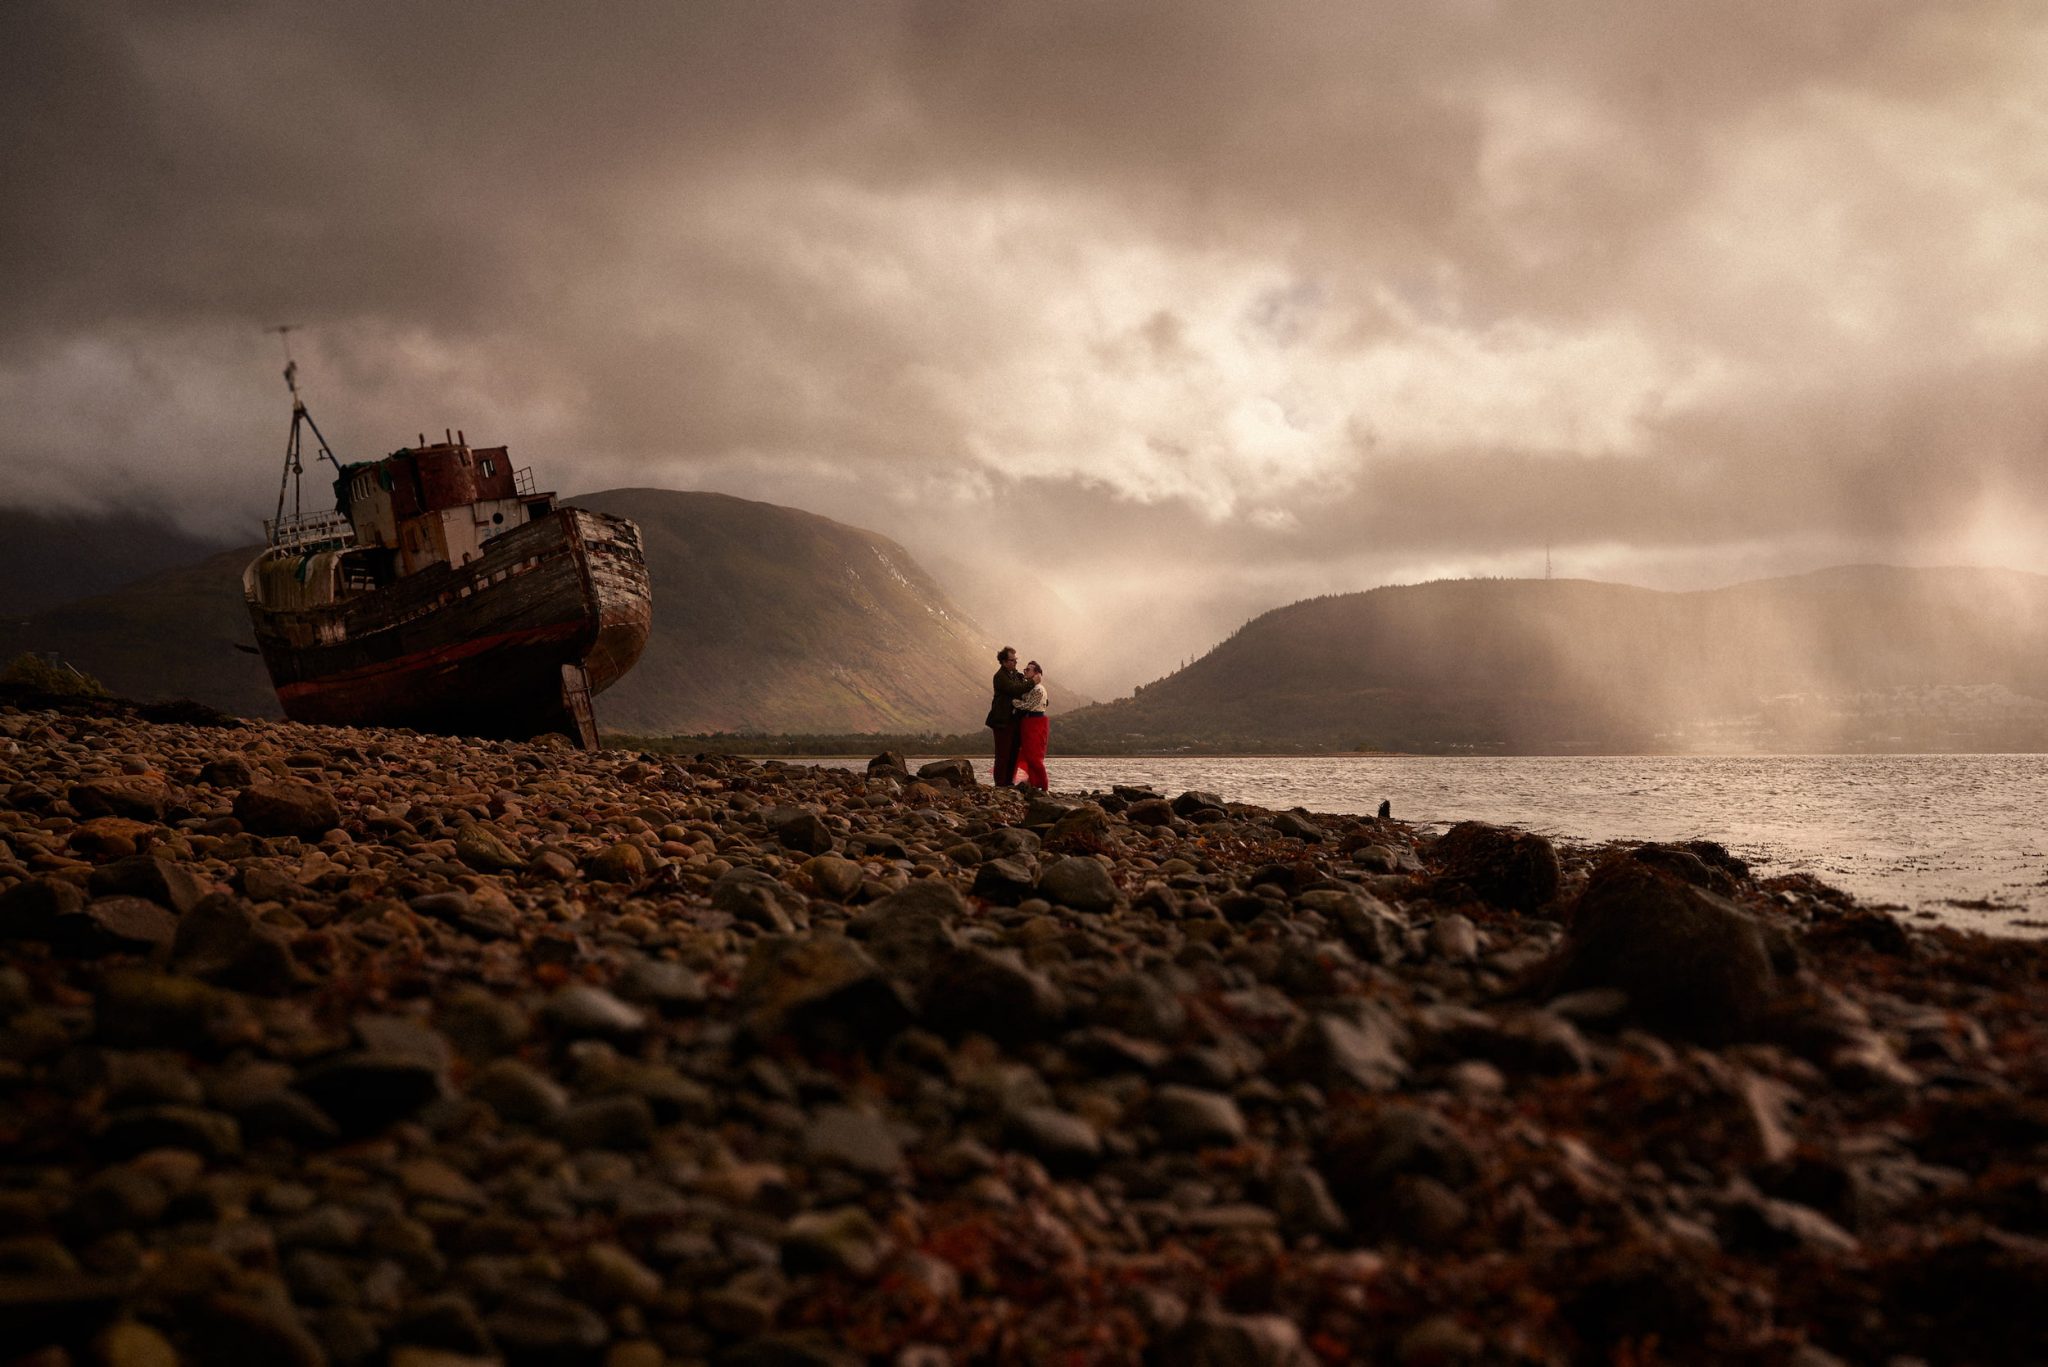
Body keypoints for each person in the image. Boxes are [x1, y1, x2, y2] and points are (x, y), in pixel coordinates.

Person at [985, 646, 1031, 786]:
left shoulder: (1016, 675)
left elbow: (1024, 691)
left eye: (1015, 660)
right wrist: (1032, 682)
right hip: (1001, 721)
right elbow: (1014, 689)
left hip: (1015, 720)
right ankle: (1000, 784)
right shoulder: (999, 677)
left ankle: (1009, 781)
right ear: (1004, 662)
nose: (1015, 663)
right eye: (1012, 660)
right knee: (1002, 754)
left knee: (1013, 753)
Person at [1011, 659, 1050, 792]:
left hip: (1036, 724)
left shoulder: (1039, 689)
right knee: (1027, 755)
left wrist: (1013, 702)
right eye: (1025, 670)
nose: (1025, 672)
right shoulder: (1031, 687)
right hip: (1029, 723)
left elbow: (1029, 706)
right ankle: (1033, 783)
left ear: (1036, 673)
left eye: (1028, 670)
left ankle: (1044, 787)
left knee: (1035, 757)